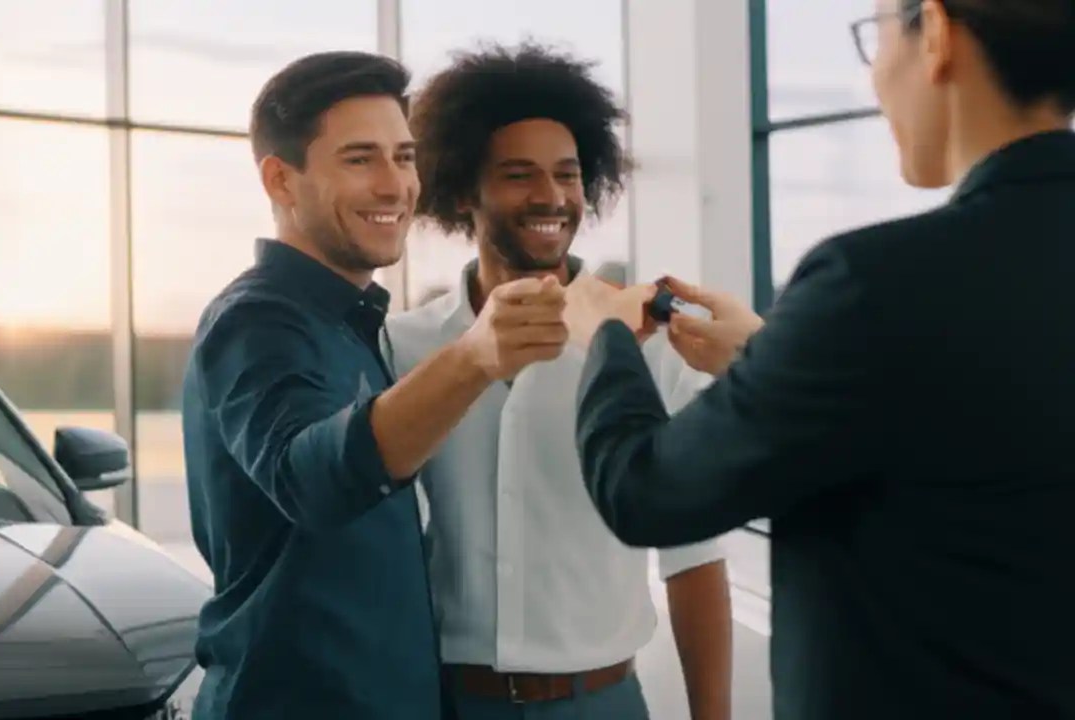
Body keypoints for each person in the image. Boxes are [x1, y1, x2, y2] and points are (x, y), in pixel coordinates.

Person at [564, 0, 1075, 717]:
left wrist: (606, 339)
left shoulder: (872, 286)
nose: (872, 81)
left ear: (934, 32)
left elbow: (645, 491)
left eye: (875, 38)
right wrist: (777, 354)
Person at [180, 51, 569, 719]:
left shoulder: (354, 322)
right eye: (360, 159)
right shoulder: (255, 321)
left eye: (405, 156)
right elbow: (310, 479)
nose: (395, 187)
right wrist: (471, 357)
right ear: (280, 180)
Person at [383, 43, 733, 720]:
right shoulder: (405, 345)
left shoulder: (648, 346)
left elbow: (692, 558)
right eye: (519, 175)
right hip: (445, 702)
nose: (551, 197)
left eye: (567, 175)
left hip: (600, 702)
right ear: (462, 189)